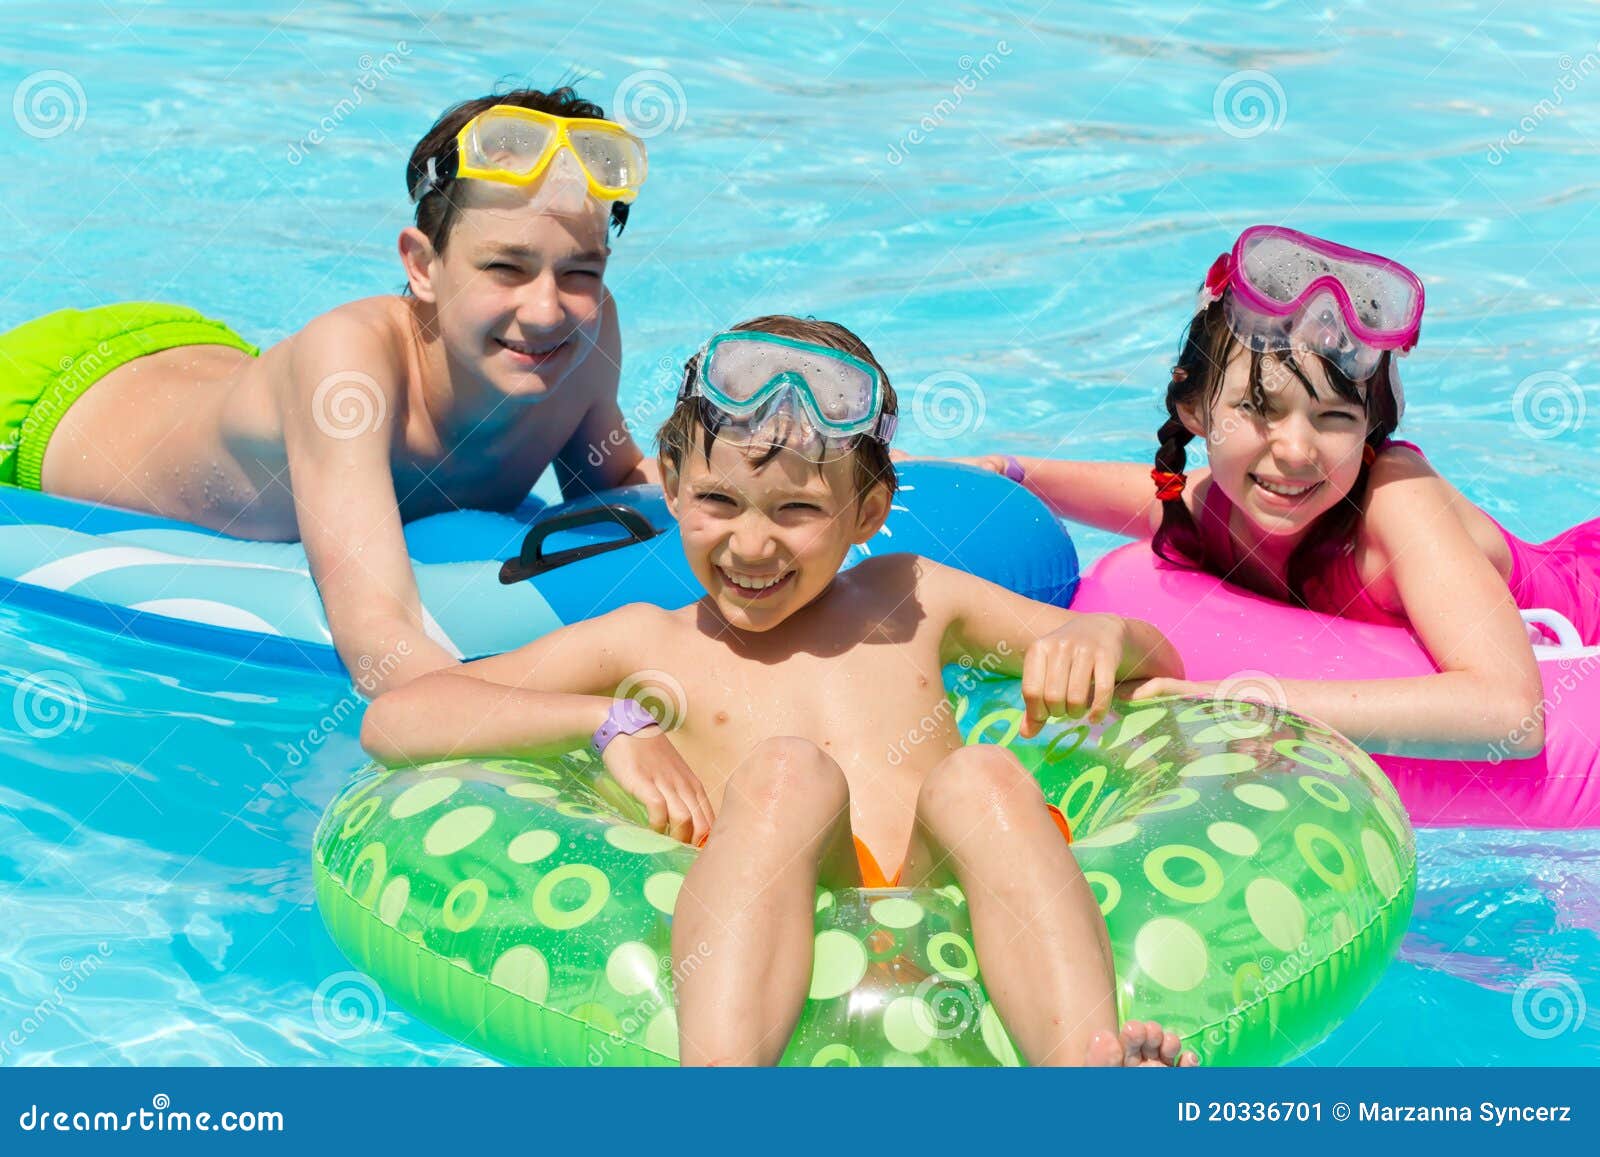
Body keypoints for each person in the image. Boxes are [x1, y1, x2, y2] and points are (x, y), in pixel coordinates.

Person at [360, 314, 1196, 1068]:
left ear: (867, 512)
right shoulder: (649, 644)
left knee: (982, 778)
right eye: (719, 500)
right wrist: (609, 722)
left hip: (941, 884)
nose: (751, 545)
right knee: (786, 773)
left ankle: (1091, 1075)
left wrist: (1101, 633)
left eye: (796, 509)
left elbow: (1158, 666)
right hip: (792, 895)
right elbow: (400, 716)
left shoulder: (913, 595)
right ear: (674, 486)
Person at [0, 87, 658, 695]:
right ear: (422, 266)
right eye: (504, 267)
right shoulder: (350, 370)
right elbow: (382, 636)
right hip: (48, 400)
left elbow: (616, 484)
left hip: (201, 348)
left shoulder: (588, 339)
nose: (546, 310)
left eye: (580, 270)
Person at [955, 225, 1600, 761]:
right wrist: (1011, 472)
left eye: (1335, 419)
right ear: (1193, 410)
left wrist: (1239, 699)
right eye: (1258, 409)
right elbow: (1153, 499)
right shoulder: (1230, 503)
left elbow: (1513, 714)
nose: (1295, 450)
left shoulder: (1395, 502)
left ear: (1370, 432)